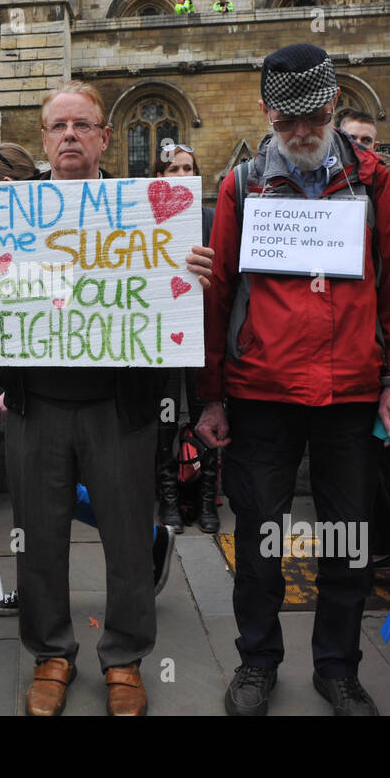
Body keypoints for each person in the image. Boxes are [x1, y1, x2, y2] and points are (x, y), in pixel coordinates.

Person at [195, 44, 390, 716]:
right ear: (266, 113)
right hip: (261, 393)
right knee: (261, 539)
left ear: (334, 105)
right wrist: (209, 394)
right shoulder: (239, 185)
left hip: (349, 394)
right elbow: (218, 290)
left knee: (348, 540)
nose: (301, 132)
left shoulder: (373, 180)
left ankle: (338, 667)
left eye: (314, 116)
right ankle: (257, 661)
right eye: (287, 120)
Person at [0, 80, 213, 717]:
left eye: (82, 125)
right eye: (58, 126)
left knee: (125, 537)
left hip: (121, 406)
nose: (69, 136)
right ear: (43, 138)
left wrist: (192, 277)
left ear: (103, 137)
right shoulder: (10, 211)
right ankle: (51, 654)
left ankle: (124, 657)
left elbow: (176, 302)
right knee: (38, 538)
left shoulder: (149, 210)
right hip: (36, 403)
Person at [152, 142, 218, 533]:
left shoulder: (211, 218)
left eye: (187, 168)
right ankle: (169, 500)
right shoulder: (148, 218)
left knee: (204, 417)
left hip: (202, 334)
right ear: (159, 177)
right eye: (172, 169)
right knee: (163, 421)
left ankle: (207, 500)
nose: (180, 175)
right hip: (160, 334)